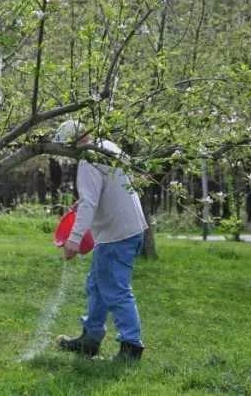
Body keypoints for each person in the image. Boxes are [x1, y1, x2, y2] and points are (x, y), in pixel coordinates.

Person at [54, 120, 148, 361]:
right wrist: (83, 203)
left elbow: (90, 202)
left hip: (117, 234)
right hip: (126, 228)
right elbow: (105, 190)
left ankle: (131, 347)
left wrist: (73, 240)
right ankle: (90, 339)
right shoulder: (106, 147)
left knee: (116, 290)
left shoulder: (88, 159)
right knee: (96, 285)